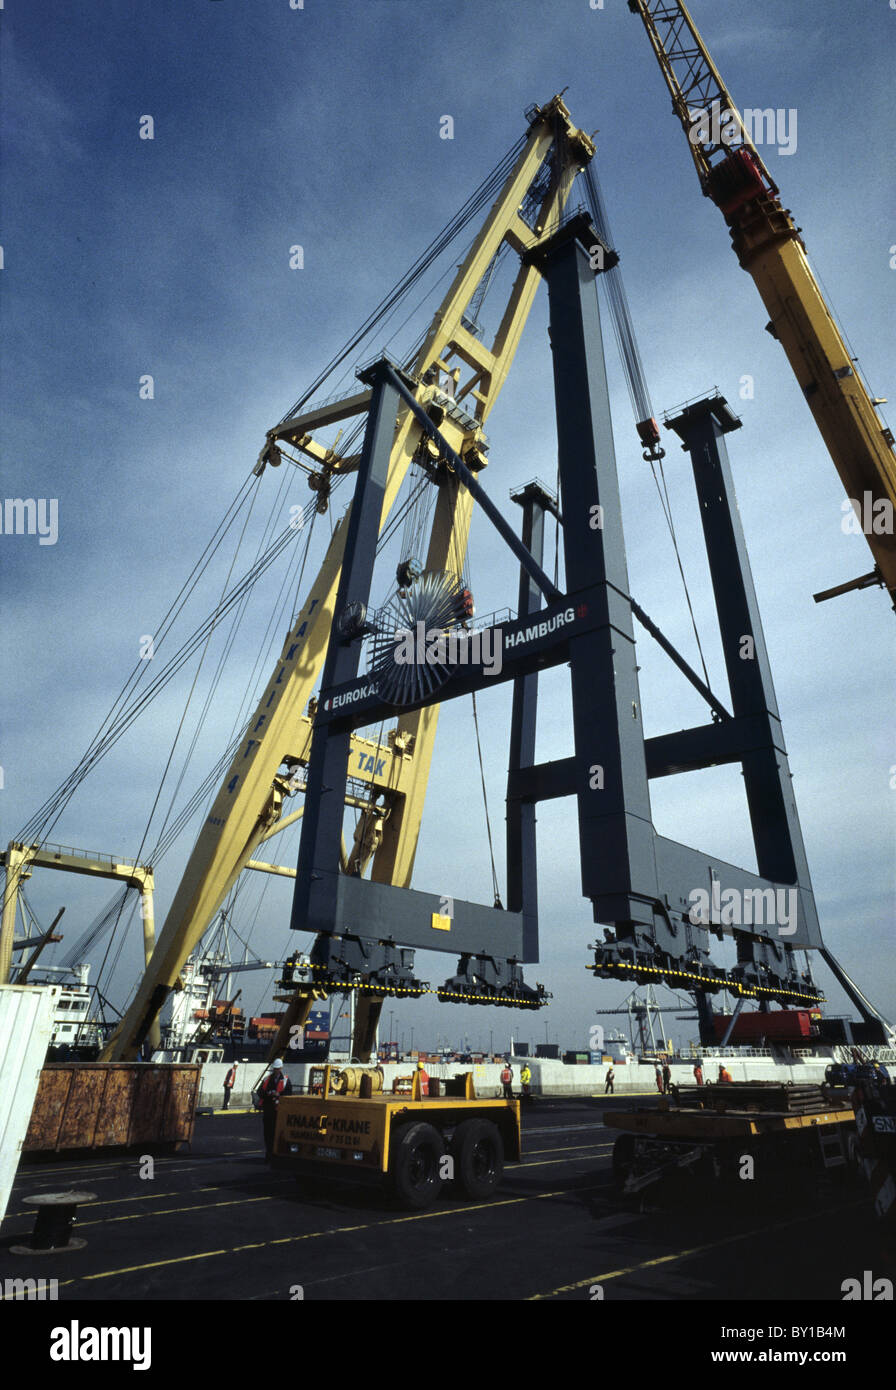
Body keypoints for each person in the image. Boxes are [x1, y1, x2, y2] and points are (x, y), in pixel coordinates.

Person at [258, 1058, 292, 1158]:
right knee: (267, 1133)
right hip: (268, 1111)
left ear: (281, 1068)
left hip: (279, 1112)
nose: (276, 1070)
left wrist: (279, 1094)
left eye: (278, 1068)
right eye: (275, 1069)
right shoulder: (266, 1079)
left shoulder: (285, 1080)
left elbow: (289, 1094)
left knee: (277, 1133)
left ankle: (275, 1154)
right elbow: (259, 1092)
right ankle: (269, 1153)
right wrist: (268, 1094)